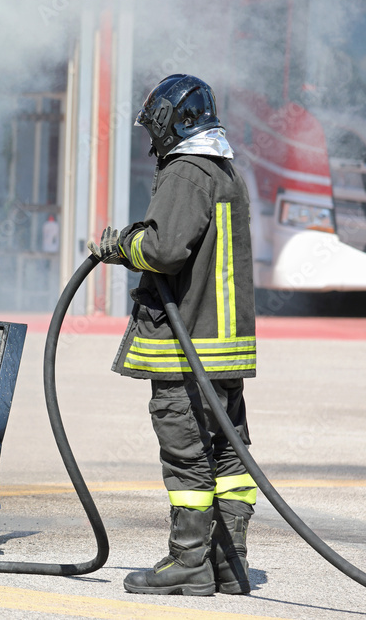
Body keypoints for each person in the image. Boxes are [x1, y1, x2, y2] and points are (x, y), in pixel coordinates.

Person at [89, 74, 257, 596]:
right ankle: (229, 563)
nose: (151, 140)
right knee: (229, 453)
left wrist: (120, 245)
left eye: (153, 128)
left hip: (188, 349)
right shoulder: (225, 171)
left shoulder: (186, 172)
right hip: (222, 349)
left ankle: (188, 562)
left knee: (187, 453)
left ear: (170, 123)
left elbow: (163, 251)